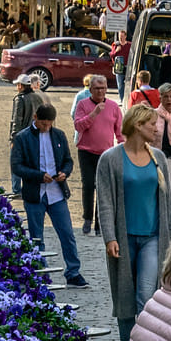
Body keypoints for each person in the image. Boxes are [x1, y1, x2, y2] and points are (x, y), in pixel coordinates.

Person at [95, 104, 171, 341]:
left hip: (153, 237)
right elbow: (105, 201)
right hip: (123, 239)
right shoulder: (111, 159)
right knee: (125, 298)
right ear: (137, 125)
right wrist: (110, 237)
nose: (156, 128)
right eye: (152, 124)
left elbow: (167, 201)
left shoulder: (158, 157)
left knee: (146, 295)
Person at [11, 101, 85, 287]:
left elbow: (68, 161)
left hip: (57, 193)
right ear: (35, 118)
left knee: (67, 233)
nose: (46, 127)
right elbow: (16, 166)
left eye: (49, 123)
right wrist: (38, 176)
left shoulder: (58, 135)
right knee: (37, 236)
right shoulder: (22, 138)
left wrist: (64, 173)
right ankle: (39, 272)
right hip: (35, 193)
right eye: (43, 123)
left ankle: (73, 271)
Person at [73, 75, 123, 234]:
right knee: (88, 185)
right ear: (90, 90)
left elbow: (120, 131)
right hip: (86, 151)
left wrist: (122, 147)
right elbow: (78, 126)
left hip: (106, 152)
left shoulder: (114, 106)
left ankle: (99, 223)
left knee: (103, 188)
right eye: (97, 88)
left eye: (103, 88)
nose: (100, 91)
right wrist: (93, 114)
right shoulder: (83, 104)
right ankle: (87, 218)